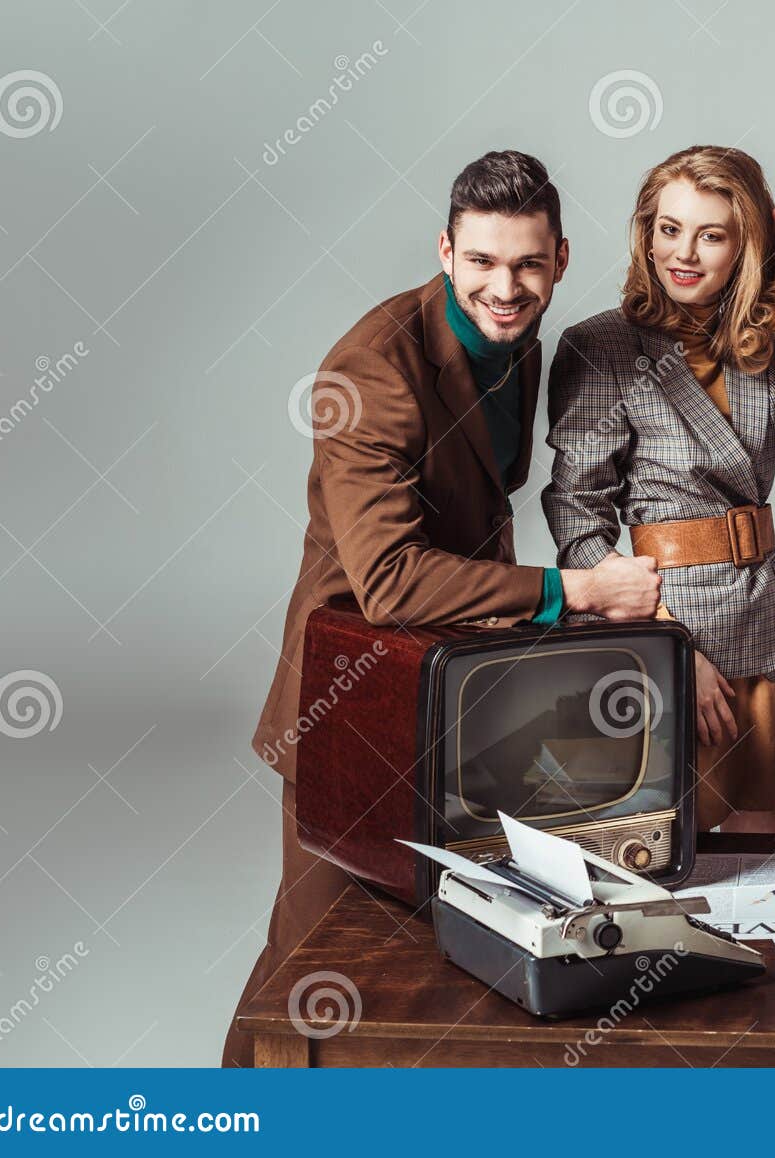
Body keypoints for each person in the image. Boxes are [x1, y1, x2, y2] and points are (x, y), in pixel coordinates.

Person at [226, 151, 661, 1066]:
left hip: (455, 688)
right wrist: (573, 589)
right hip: (347, 703)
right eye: (483, 263)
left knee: (442, 963)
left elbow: (479, 502)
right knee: (309, 966)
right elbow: (387, 580)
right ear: (446, 251)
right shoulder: (372, 371)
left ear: (560, 259)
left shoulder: (516, 338)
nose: (505, 288)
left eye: (528, 265)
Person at [542, 145, 775, 834]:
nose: (683, 253)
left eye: (711, 235)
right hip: (665, 636)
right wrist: (666, 642)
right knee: (674, 859)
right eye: (669, 229)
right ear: (646, 234)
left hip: (767, 629)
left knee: (771, 859)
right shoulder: (602, 346)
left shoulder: (759, 342)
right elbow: (577, 520)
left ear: (747, 247)